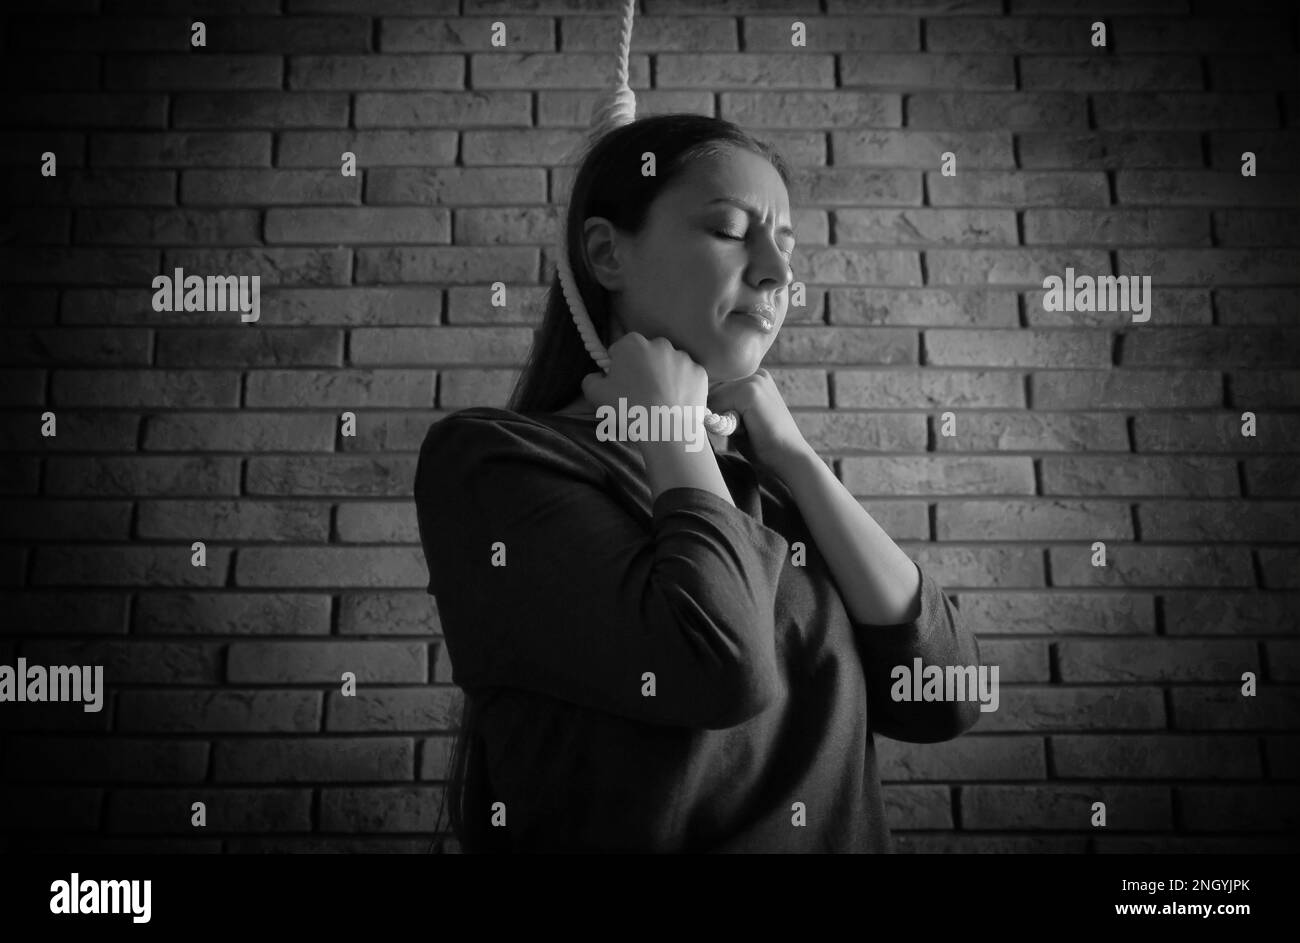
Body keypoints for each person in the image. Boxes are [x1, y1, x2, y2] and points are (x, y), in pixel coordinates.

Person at [414, 114, 984, 853]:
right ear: (605, 253)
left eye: (784, 245)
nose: (777, 273)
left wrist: (796, 457)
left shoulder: (766, 485)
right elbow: (722, 669)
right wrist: (673, 431)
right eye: (727, 230)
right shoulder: (492, 464)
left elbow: (949, 697)